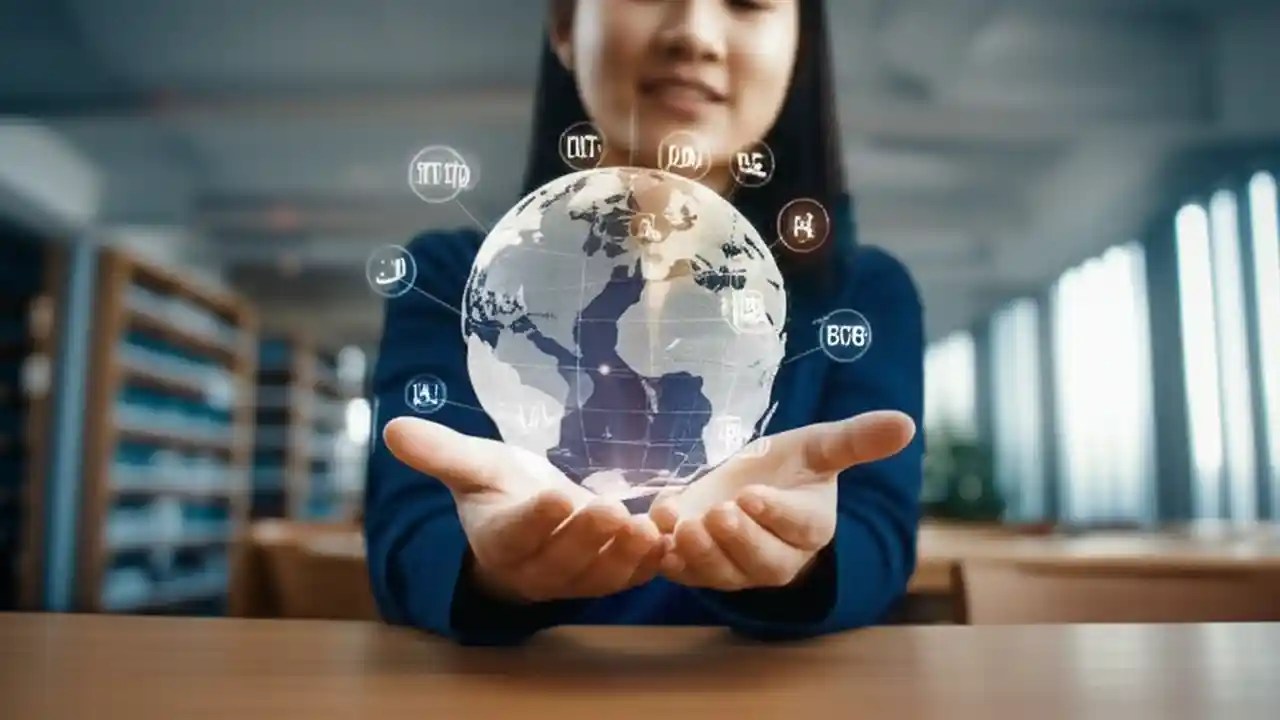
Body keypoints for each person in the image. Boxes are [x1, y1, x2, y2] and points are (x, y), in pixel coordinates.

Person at [365, 0, 924, 645]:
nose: (693, 33)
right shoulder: (447, 280)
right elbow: (406, 542)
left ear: (799, 46)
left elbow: (879, 541)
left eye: (748, 2)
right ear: (566, 25)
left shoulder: (866, 294)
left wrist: (804, 559)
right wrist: (493, 573)